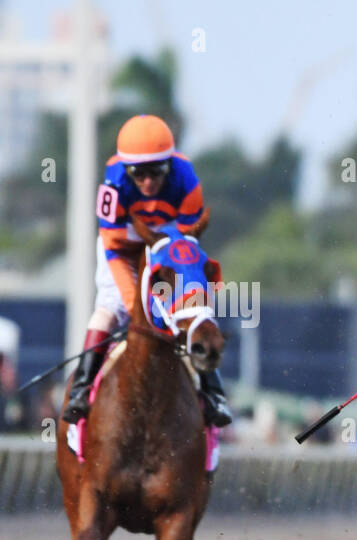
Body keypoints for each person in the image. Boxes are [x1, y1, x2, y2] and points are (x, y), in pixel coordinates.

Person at [63, 114, 231, 426]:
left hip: (170, 245)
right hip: (123, 246)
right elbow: (114, 248)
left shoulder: (187, 179)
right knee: (108, 310)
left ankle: (214, 394)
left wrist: (182, 294)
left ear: (169, 164)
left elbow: (186, 245)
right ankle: (80, 390)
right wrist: (134, 305)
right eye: (138, 174)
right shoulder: (113, 185)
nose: (148, 181)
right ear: (127, 170)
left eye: (156, 172)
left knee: (196, 313)